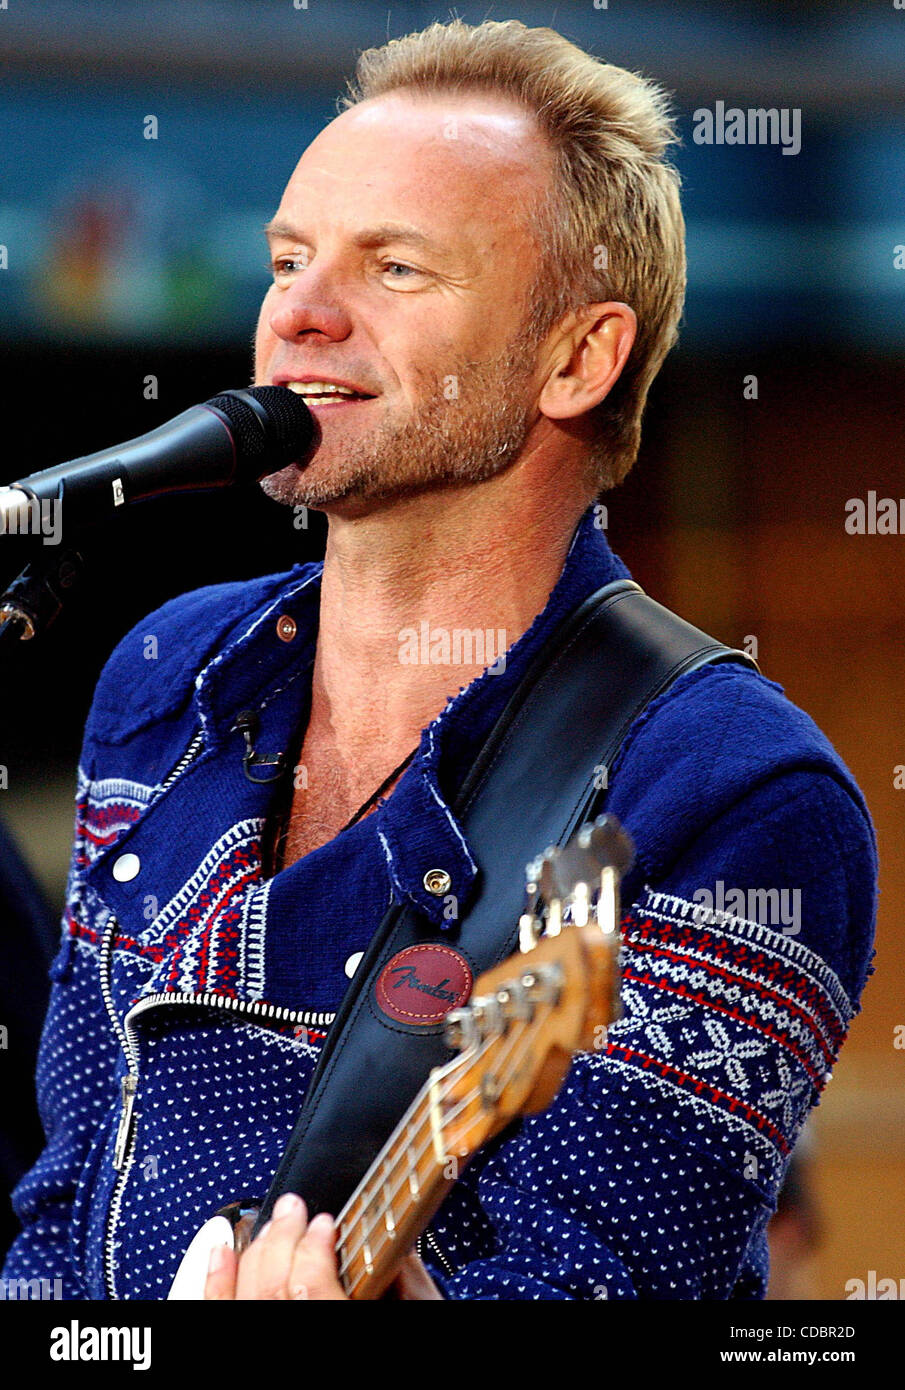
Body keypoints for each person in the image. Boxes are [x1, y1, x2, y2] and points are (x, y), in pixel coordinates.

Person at [3, 19, 876, 1301]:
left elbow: (603, 1280)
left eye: (393, 267)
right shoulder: (167, 671)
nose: (298, 311)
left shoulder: (730, 786)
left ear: (578, 358)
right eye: (287, 258)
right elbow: (63, 1201)